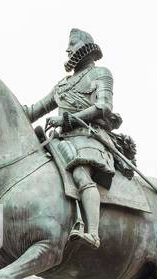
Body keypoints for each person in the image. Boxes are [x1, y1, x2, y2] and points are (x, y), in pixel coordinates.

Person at [21, 28, 122, 248]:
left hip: (89, 138)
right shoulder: (63, 85)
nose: (67, 49)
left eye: (72, 44)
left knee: (80, 173)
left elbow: (103, 106)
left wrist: (69, 119)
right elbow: (33, 111)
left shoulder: (101, 73)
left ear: (85, 46)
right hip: (62, 141)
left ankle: (93, 233)